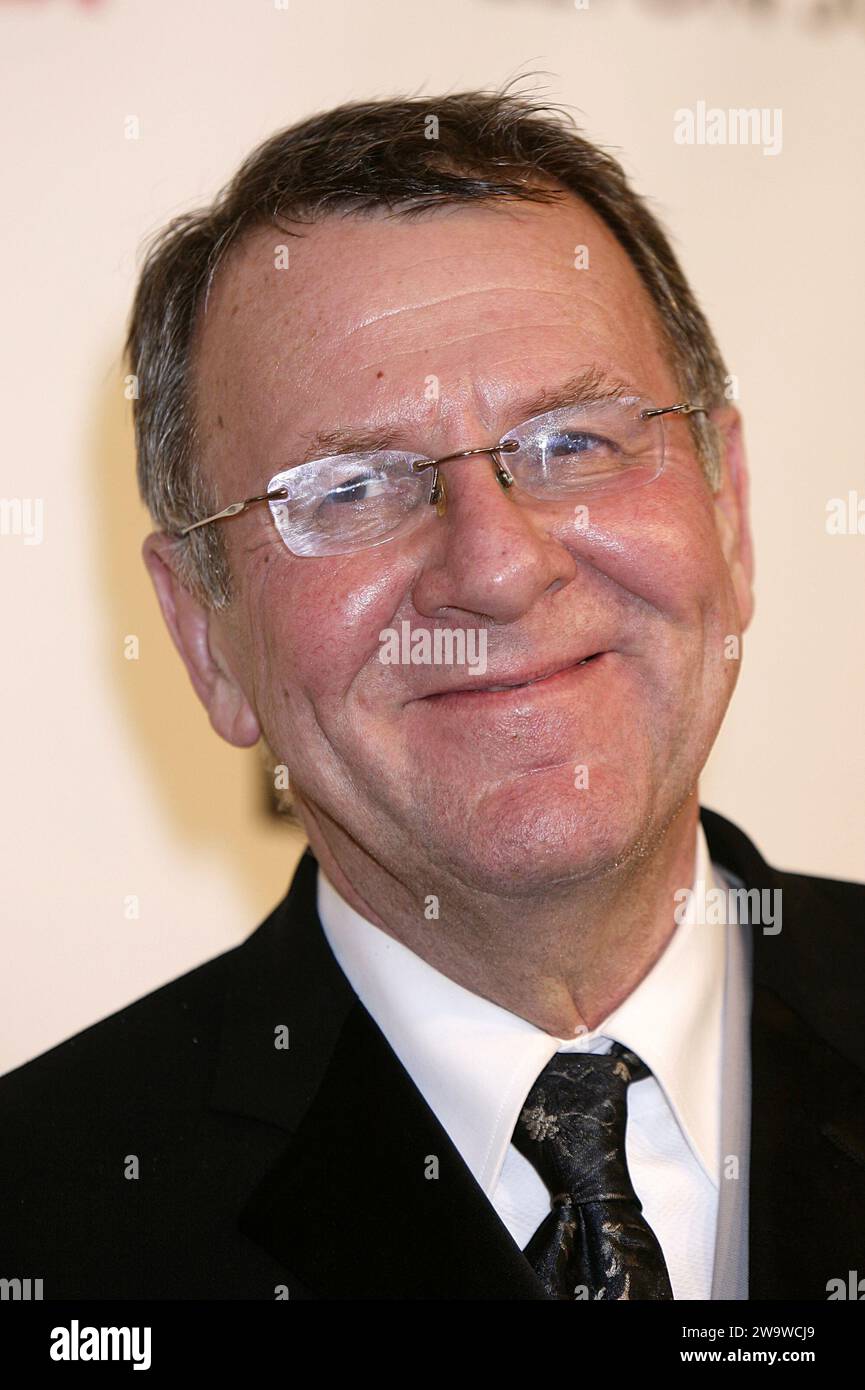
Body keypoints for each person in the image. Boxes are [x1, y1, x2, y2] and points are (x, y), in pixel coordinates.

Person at [1, 89, 862, 1302]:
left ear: (727, 510)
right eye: (348, 487)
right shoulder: (42, 1226)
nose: (498, 567)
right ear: (204, 634)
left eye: (573, 441)